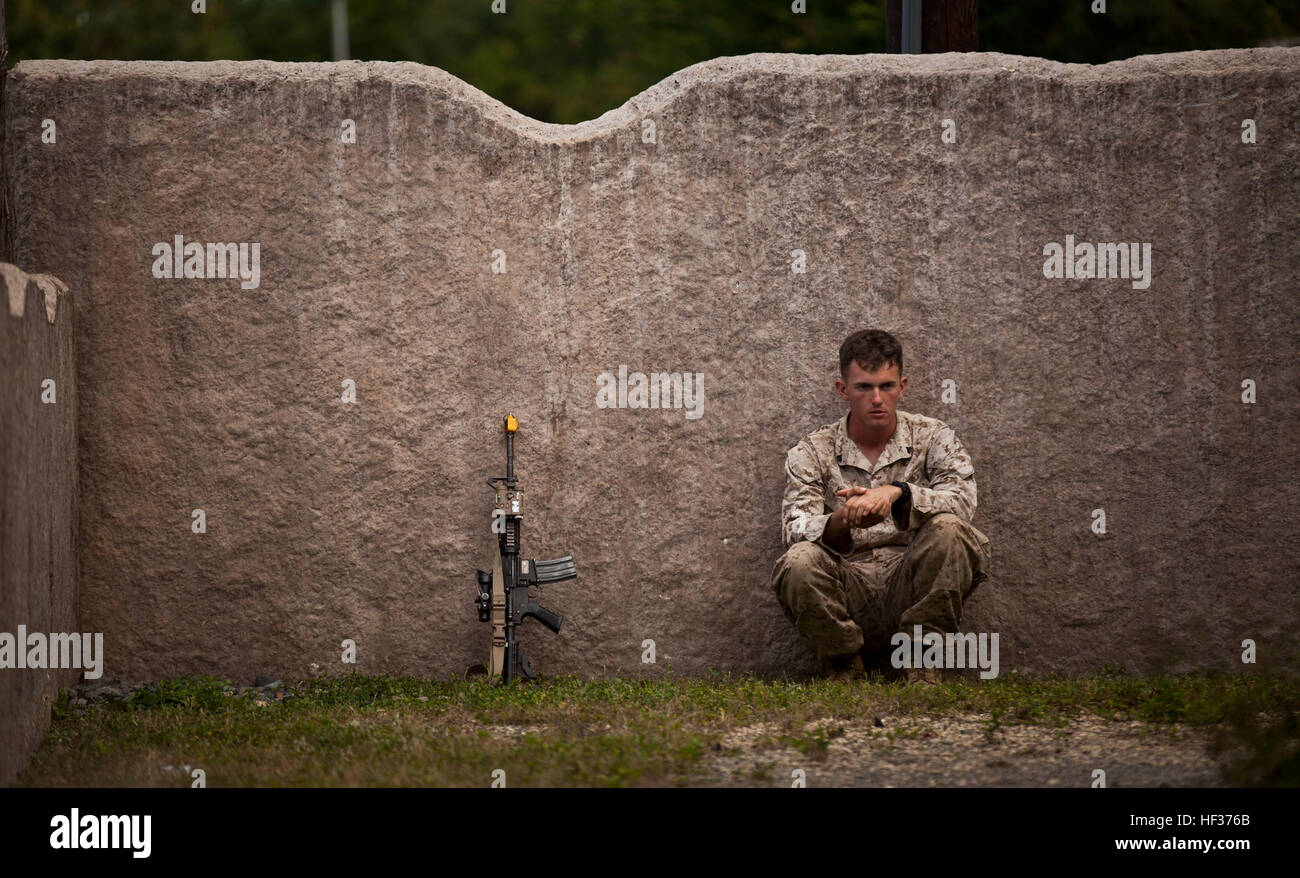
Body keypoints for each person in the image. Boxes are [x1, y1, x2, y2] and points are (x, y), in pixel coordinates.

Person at [770, 329, 991, 684]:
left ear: (902, 386)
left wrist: (898, 493)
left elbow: (963, 503)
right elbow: (793, 527)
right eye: (863, 387)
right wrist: (842, 520)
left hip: (914, 584)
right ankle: (845, 668)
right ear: (843, 390)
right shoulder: (811, 451)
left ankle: (920, 664)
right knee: (797, 562)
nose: (877, 398)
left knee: (952, 531)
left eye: (886, 386)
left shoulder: (934, 436)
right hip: (847, 588)